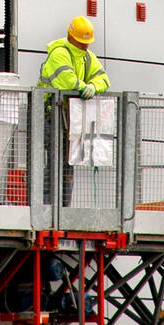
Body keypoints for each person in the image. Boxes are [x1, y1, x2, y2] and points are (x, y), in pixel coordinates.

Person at [38, 16, 110, 207]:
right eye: (82, 42)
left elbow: (104, 79)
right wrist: (84, 87)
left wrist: (93, 86)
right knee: (53, 163)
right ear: (71, 37)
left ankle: (63, 209)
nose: (85, 46)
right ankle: (47, 207)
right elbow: (66, 81)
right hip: (49, 117)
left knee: (68, 164)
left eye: (87, 43)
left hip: (69, 119)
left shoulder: (87, 57)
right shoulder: (59, 54)